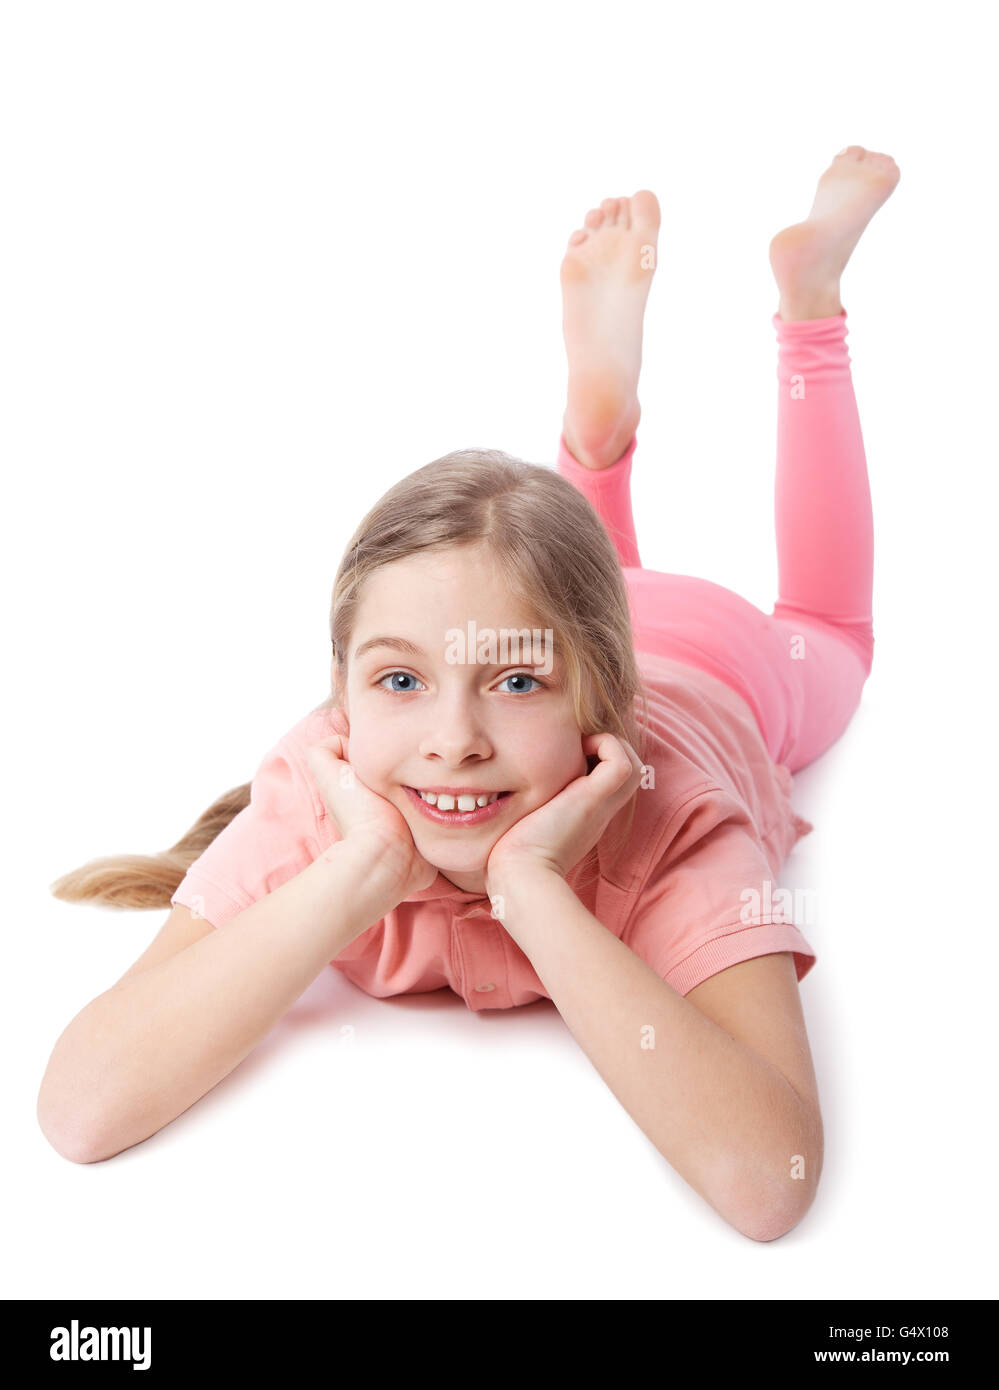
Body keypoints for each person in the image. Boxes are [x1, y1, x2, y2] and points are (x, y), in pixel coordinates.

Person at [40, 146, 900, 1242]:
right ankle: (591, 452)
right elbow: (77, 1108)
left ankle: (807, 309)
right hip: (573, 613)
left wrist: (533, 887)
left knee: (828, 630)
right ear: (343, 697)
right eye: (401, 679)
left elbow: (768, 1179)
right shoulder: (321, 793)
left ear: (600, 706)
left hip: (728, 660)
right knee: (547, 589)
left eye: (514, 685)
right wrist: (357, 873)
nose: (450, 741)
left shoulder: (673, 824)